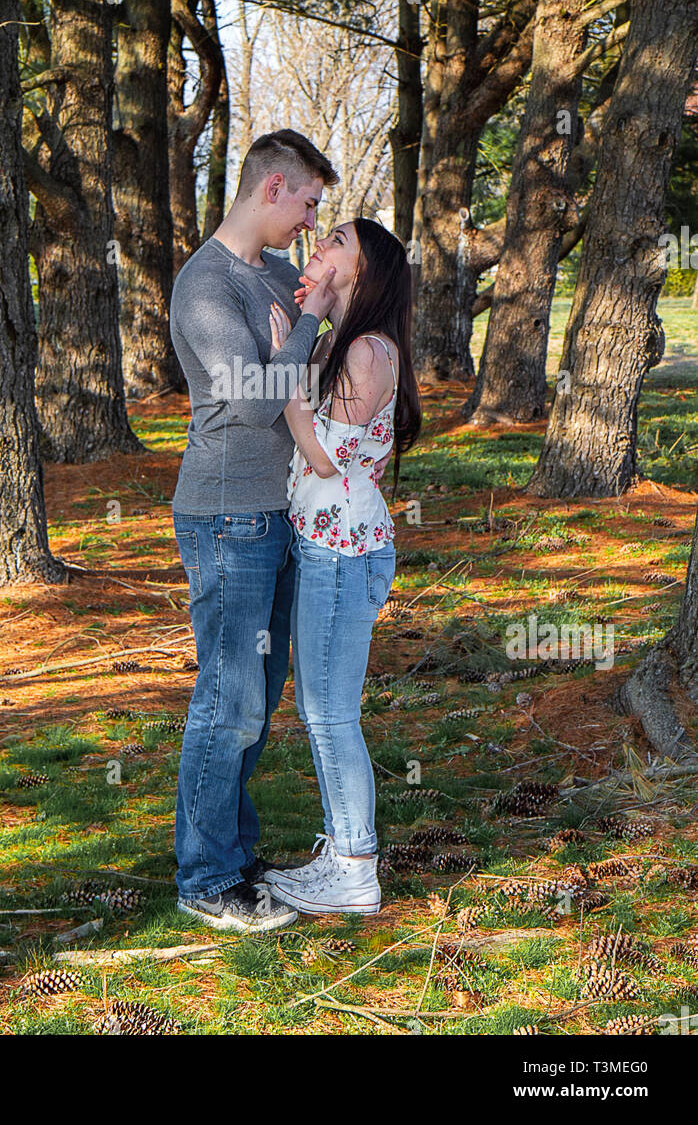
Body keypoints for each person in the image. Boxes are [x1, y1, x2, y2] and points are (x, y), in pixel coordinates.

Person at [169, 129, 342, 931]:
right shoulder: (207, 285)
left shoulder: (275, 274)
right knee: (228, 698)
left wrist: (311, 323)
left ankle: (235, 857)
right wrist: (305, 327)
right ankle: (205, 880)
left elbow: (298, 376)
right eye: (308, 201)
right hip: (228, 514)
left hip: (280, 510)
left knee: (257, 699)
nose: (311, 221)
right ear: (272, 188)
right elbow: (248, 397)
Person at [261, 217, 421, 915]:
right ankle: (341, 850)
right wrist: (312, 321)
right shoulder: (352, 342)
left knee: (329, 715)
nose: (319, 248)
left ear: (365, 271)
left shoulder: (366, 351)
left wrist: (287, 358)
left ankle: (355, 867)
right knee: (322, 709)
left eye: (336, 244)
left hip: (342, 550)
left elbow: (323, 453)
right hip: (332, 542)